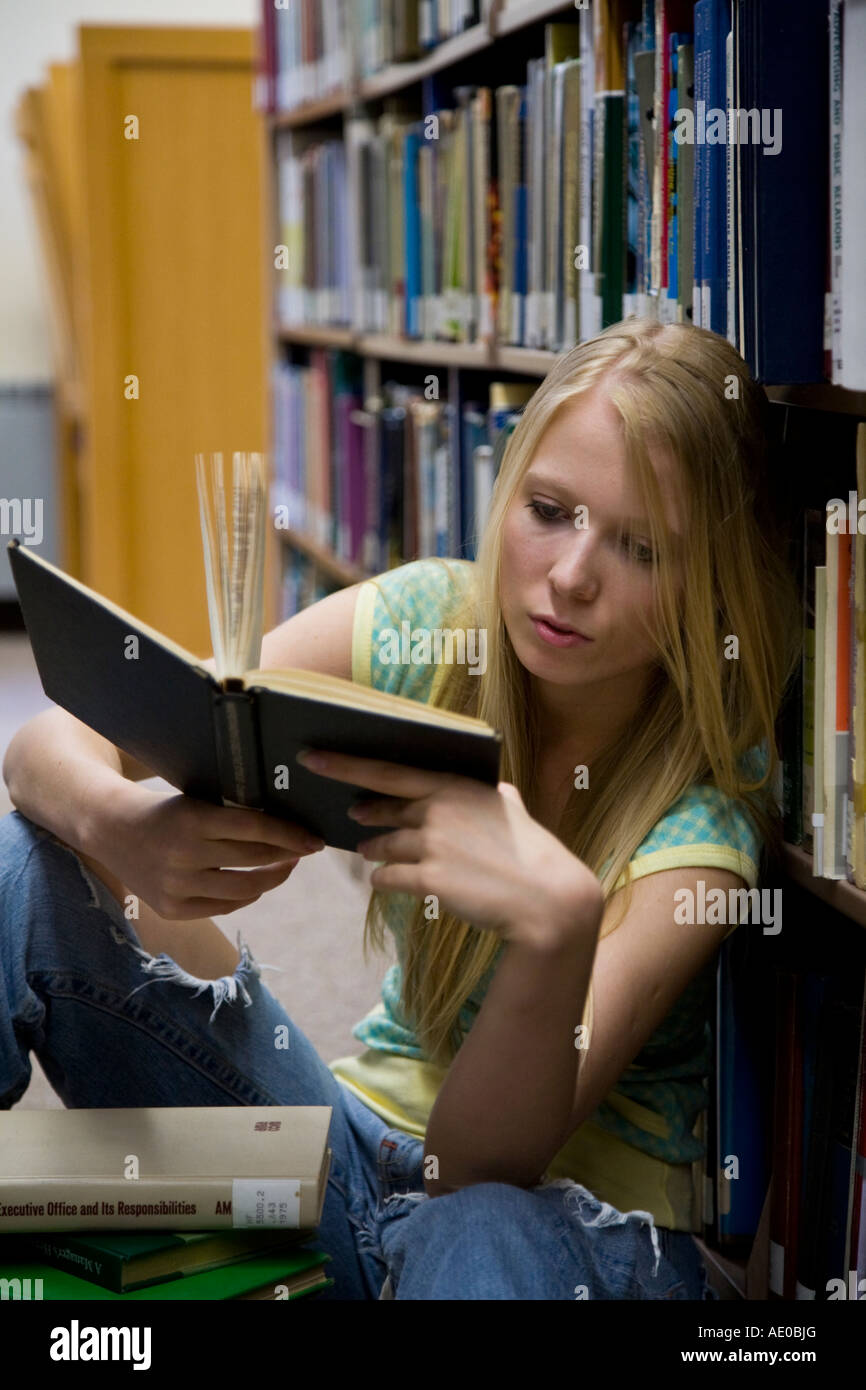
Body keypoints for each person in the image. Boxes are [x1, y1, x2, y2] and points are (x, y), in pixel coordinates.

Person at [0, 318, 799, 1300]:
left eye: (637, 546)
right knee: (24, 870)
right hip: (350, 1158)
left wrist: (555, 929)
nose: (569, 576)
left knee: (472, 1233)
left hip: (552, 1229)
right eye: (548, 509)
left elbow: (473, 1168)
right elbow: (44, 747)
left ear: (707, 585)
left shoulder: (704, 817)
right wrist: (124, 828)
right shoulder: (434, 624)